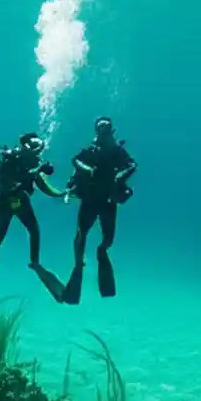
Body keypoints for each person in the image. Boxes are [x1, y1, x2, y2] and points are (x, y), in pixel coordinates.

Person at [0, 132, 66, 302]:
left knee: (4, 232)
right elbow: (33, 181)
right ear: (25, 144)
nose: (38, 146)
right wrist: (41, 174)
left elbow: (43, 185)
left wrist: (60, 194)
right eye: (34, 143)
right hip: (16, 199)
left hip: (6, 200)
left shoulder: (28, 161)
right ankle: (33, 262)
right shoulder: (15, 157)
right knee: (31, 230)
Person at [61, 117, 137, 305]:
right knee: (81, 233)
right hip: (90, 198)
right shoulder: (91, 151)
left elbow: (132, 165)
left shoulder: (119, 151)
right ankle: (79, 263)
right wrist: (88, 171)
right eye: (101, 126)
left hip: (107, 200)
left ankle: (101, 252)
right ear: (96, 131)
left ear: (112, 129)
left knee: (108, 238)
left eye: (107, 126)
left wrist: (121, 176)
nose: (104, 129)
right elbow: (75, 161)